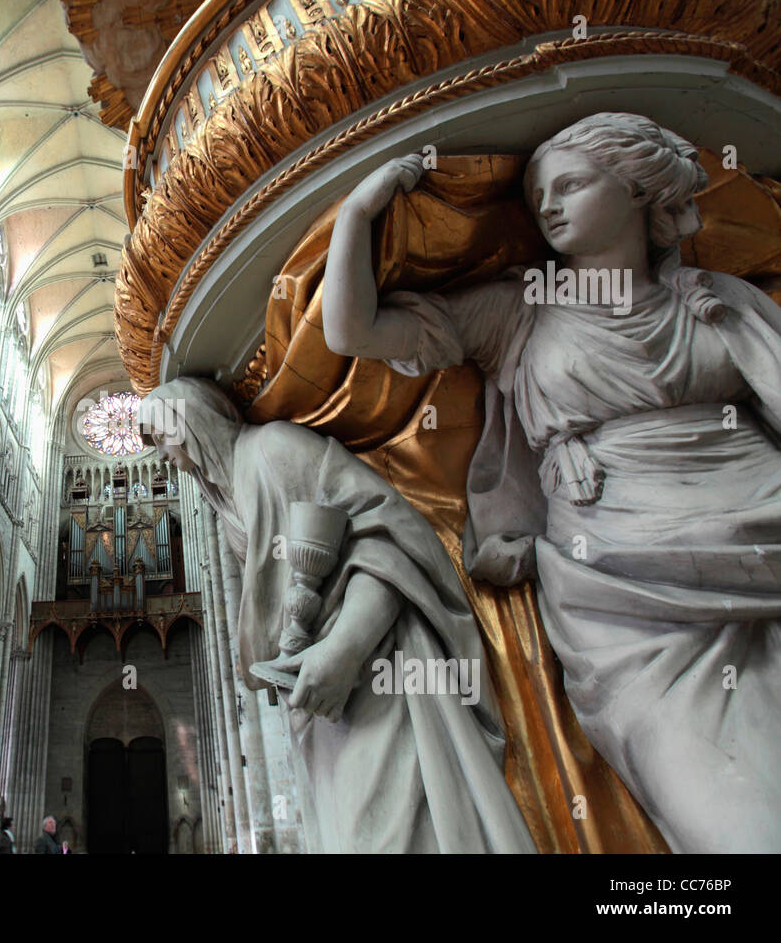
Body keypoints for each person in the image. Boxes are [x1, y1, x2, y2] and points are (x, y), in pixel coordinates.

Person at [318, 112, 781, 852]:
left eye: (571, 184)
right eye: (539, 197)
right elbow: (353, 333)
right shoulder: (520, 311)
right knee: (731, 820)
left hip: (764, 522)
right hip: (624, 583)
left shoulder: (715, 298)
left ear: (635, 188)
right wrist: (357, 212)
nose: (550, 206)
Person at [138, 378, 536, 853]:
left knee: (394, 835)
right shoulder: (224, 504)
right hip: (317, 693)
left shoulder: (274, 448)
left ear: (188, 421)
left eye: (159, 436)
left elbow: (387, 532)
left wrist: (344, 649)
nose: (159, 455)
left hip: (372, 664)